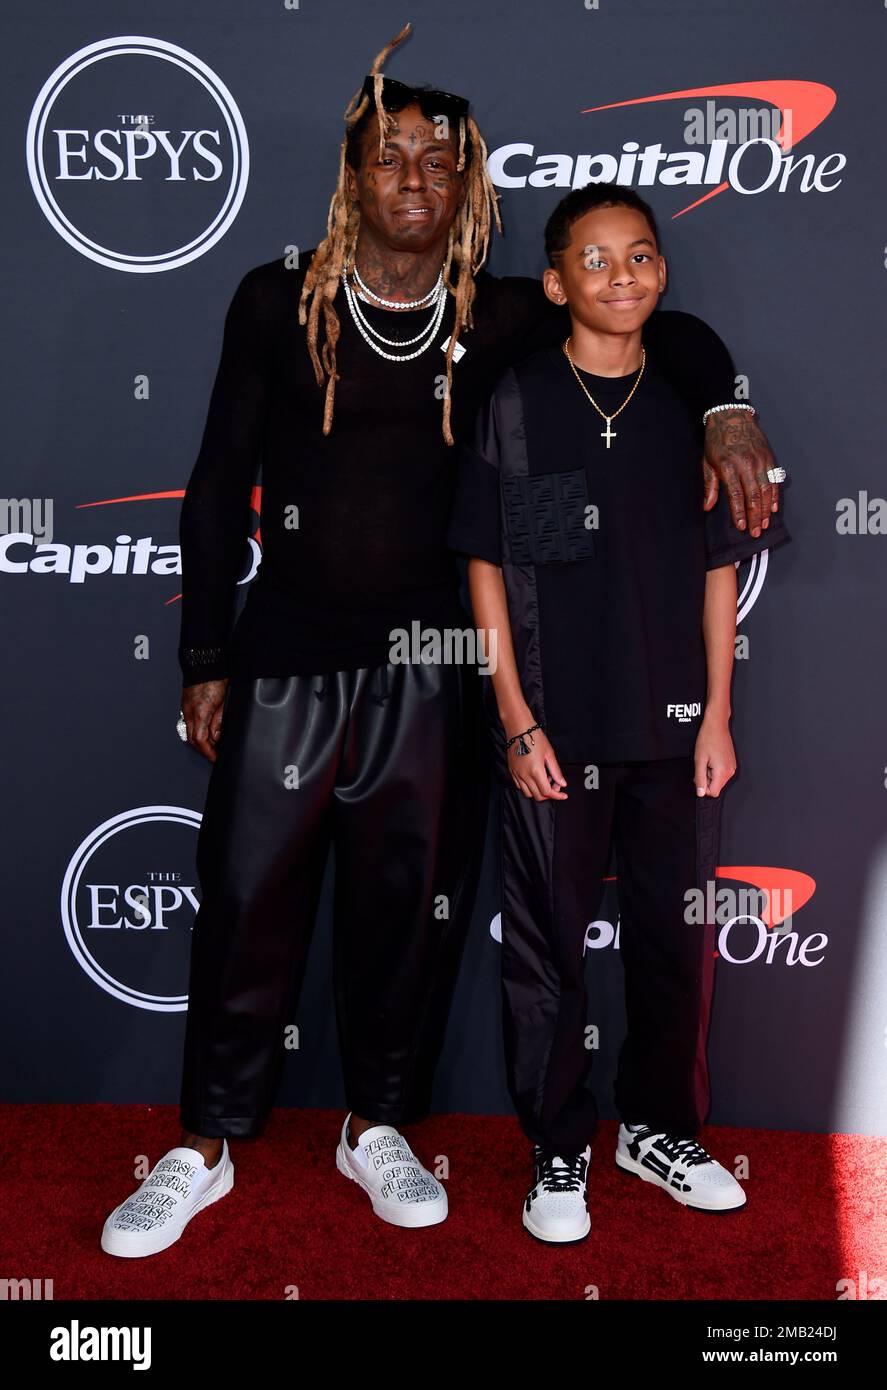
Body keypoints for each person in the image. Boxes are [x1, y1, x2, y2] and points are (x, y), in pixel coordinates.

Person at [100, 23, 784, 1258]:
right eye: (388, 155)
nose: (413, 177)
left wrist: (728, 406)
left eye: (438, 160)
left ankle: (377, 1124)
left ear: (468, 185)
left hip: (434, 670)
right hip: (288, 655)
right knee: (245, 903)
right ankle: (198, 1149)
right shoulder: (275, 299)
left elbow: (652, 324)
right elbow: (213, 489)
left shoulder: (502, 313)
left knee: (403, 906)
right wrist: (205, 655)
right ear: (352, 174)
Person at [445, 181, 791, 1244]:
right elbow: (489, 565)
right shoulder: (515, 399)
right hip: (552, 729)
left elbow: (714, 571)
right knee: (546, 946)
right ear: (553, 283)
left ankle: (658, 1130)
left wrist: (717, 714)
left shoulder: (691, 404)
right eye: (593, 261)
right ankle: (558, 1145)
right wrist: (512, 715)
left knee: (672, 943)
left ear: (661, 272)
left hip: (672, 731)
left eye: (638, 255)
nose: (620, 275)